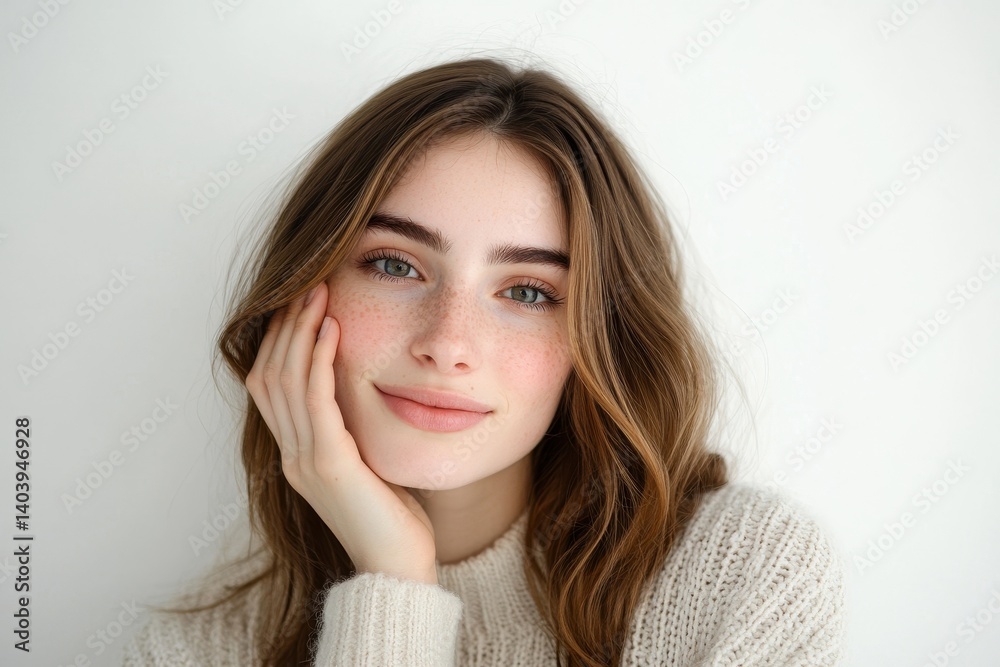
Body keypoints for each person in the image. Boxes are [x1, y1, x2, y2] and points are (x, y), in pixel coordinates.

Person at [121, 54, 846, 666]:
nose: (448, 341)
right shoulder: (196, 649)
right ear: (302, 293)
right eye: (395, 265)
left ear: (597, 339)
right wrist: (393, 580)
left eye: (528, 290)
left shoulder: (745, 572)